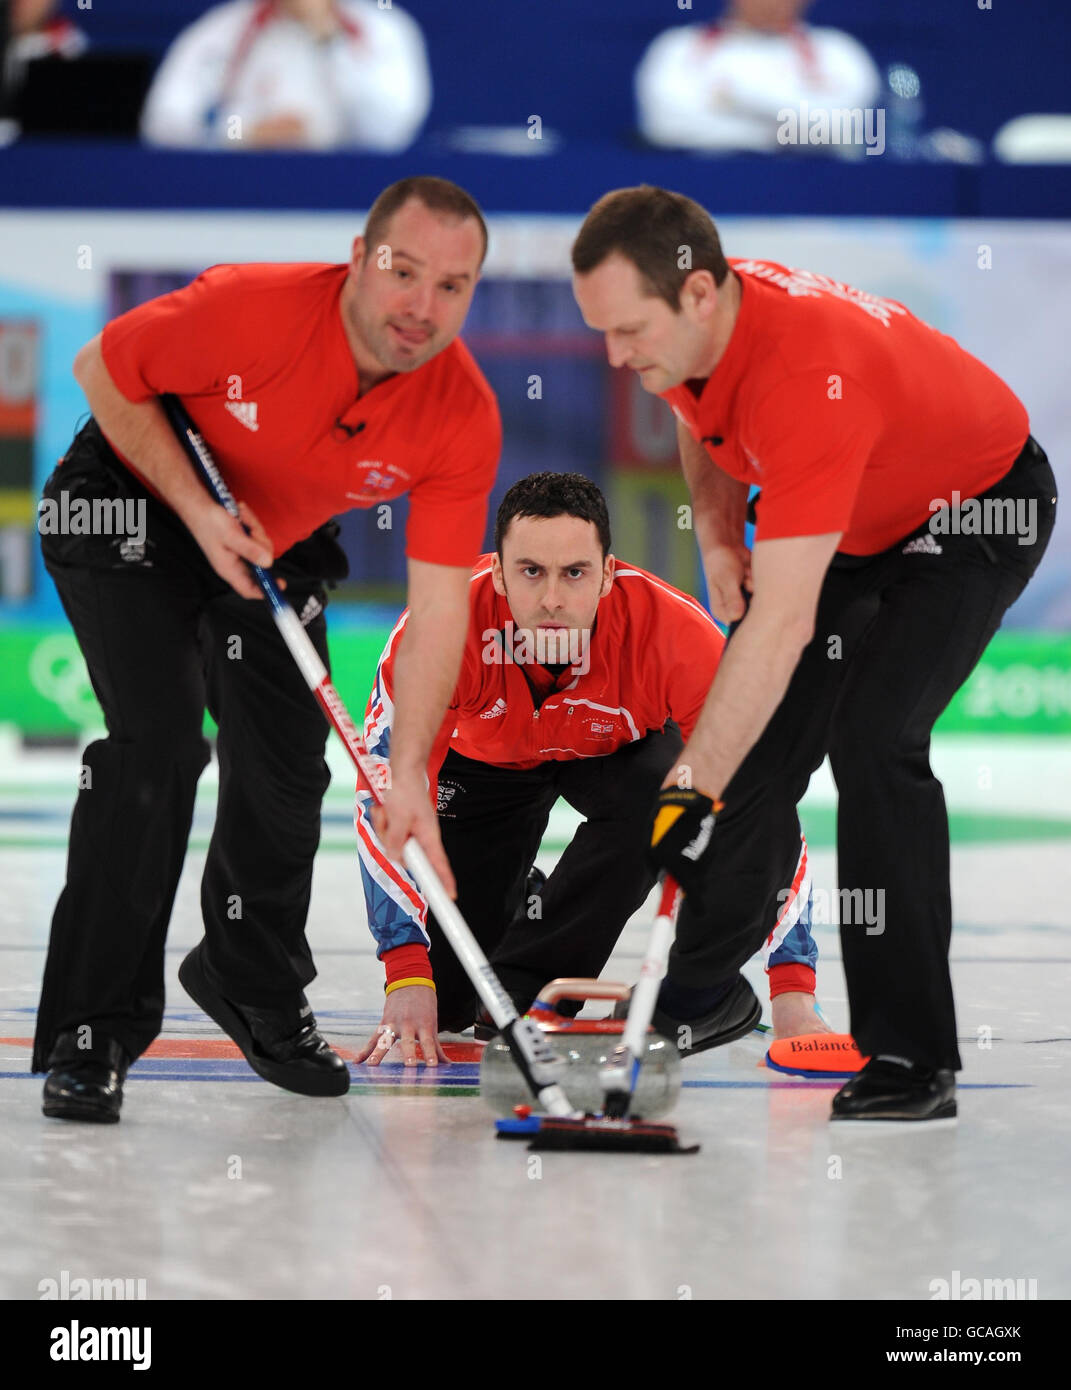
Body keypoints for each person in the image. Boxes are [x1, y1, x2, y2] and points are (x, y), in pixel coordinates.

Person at [571, 185, 1057, 1122]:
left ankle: (912, 1057)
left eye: (627, 329)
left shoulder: (803, 385)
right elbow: (693, 411)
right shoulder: (685, 332)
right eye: (603, 332)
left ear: (699, 296)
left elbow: (783, 626)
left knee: (873, 739)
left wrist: (685, 789)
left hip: (975, 512)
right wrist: (715, 535)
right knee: (752, 755)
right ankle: (703, 995)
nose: (616, 355)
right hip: (862, 513)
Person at [35, 176, 501, 1123]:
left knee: (289, 761)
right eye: (403, 272)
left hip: (273, 539)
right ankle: (94, 1032)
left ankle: (248, 976)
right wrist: (200, 515)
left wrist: (409, 768)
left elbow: (442, 603)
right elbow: (100, 370)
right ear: (361, 259)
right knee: (158, 751)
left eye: (451, 287)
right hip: (131, 505)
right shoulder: (249, 309)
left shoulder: (461, 413)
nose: (421, 307)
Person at [352, 472, 841, 1070]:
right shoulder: (438, 630)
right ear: (499, 574)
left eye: (575, 573)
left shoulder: (676, 634)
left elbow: (761, 798)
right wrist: (405, 973)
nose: (553, 599)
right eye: (531, 571)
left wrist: (793, 988)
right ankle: (518, 899)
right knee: (448, 1001)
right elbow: (385, 797)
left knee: (659, 799)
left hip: (620, 760)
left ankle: (531, 976)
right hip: (483, 770)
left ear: (608, 573)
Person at [140, 0, 430, 151]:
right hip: (238, 201)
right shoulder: (220, 30)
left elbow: (390, 131)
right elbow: (163, 124)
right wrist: (244, 133)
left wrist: (327, 35)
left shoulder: (384, 30)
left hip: (345, 204)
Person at [635, 0, 880, 154]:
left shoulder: (838, 52)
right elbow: (664, 126)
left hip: (818, 201)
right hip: (706, 192)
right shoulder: (679, 47)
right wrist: (784, 130)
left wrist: (737, 98)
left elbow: (851, 129)